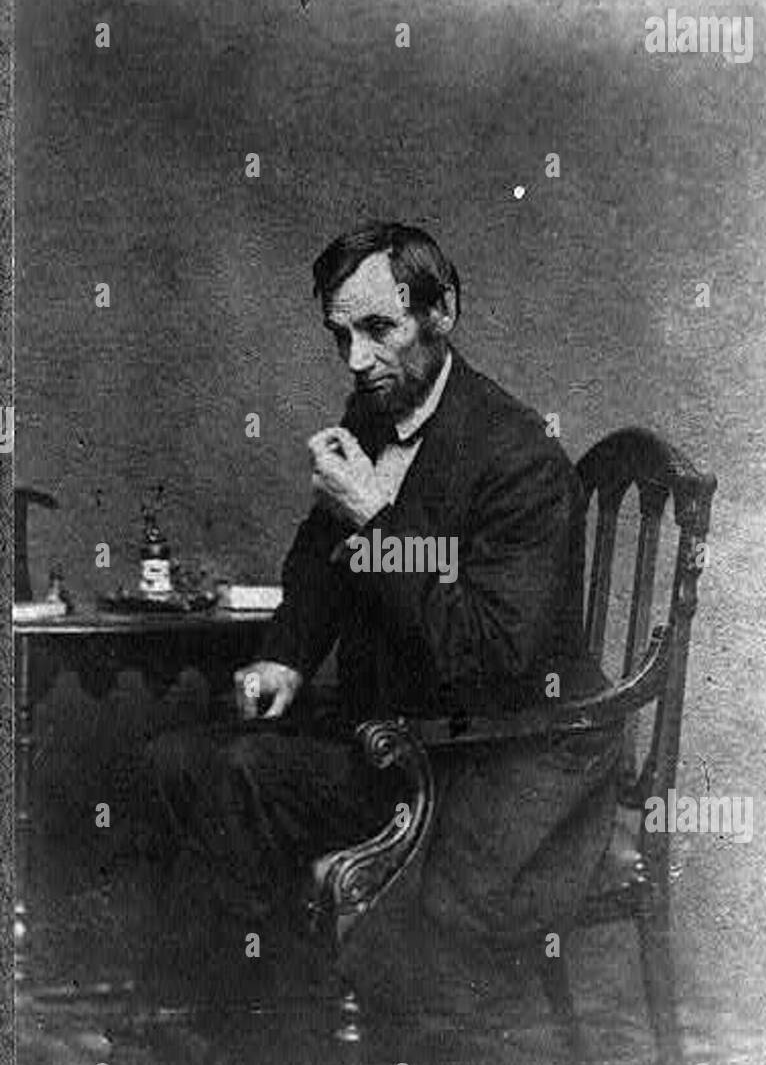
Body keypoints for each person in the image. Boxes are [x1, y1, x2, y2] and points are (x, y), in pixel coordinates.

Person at [151, 222, 621, 1016]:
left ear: (443, 315)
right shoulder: (377, 409)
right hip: (392, 733)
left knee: (240, 775)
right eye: (341, 336)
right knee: (174, 758)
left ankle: (228, 1038)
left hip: (482, 769)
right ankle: (217, 1024)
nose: (356, 360)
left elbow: (489, 656)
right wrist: (288, 658)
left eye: (378, 329)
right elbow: (318, 556)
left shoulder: (521, 461)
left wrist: (373, 517)